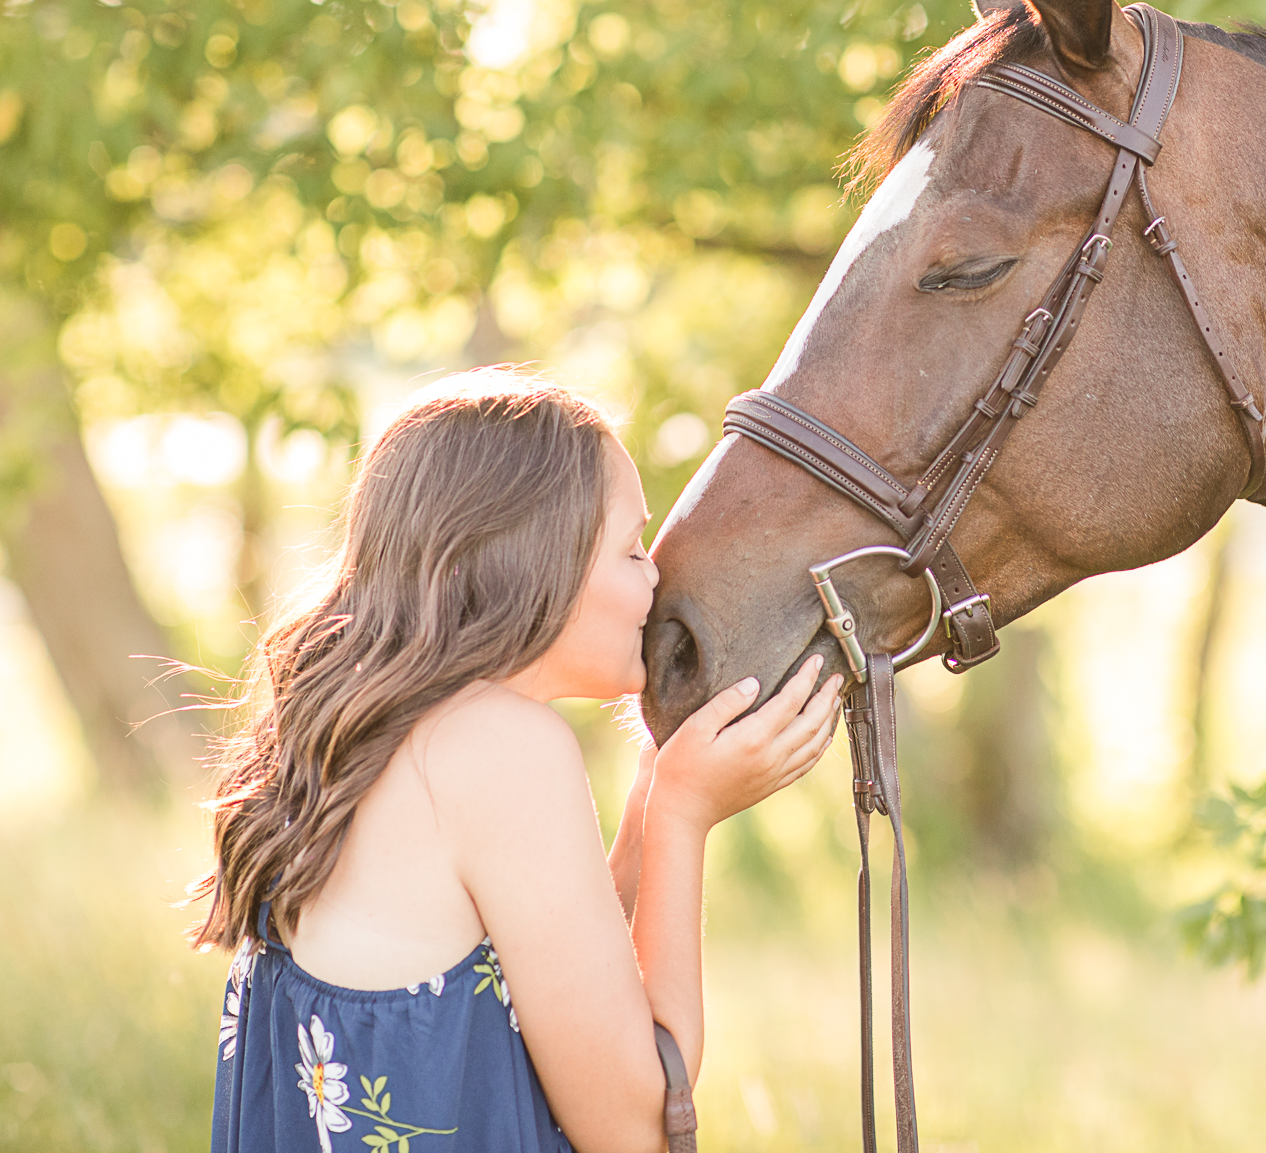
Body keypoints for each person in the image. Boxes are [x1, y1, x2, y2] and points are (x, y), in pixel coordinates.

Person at [189, 367, 839, 1153]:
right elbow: (638, 1127)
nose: (656, 575)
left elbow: (557, 980)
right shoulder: (501, 746)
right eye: (632, 547)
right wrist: (683, 817)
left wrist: (650, 792)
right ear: (535, 562)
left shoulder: (369, 734)